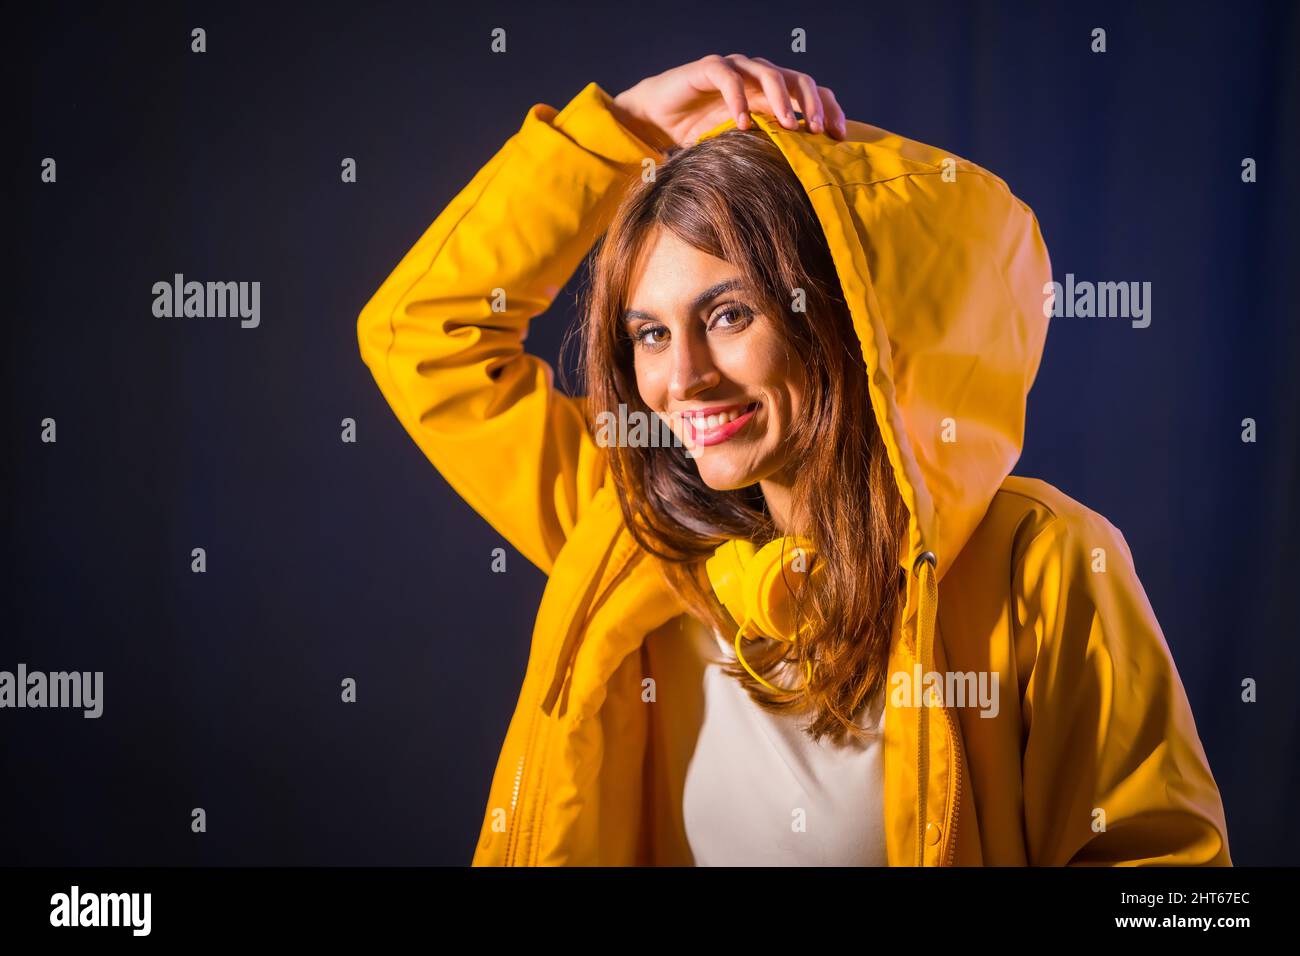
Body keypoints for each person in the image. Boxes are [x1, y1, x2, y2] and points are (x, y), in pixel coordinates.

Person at [356, 54, 1231, 866]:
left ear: (847, 316)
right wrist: (618, 135)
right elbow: (420, 337)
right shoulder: (628, 533)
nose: (683, 379)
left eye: (730, 314)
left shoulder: (1044, 564)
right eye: (651, 334)